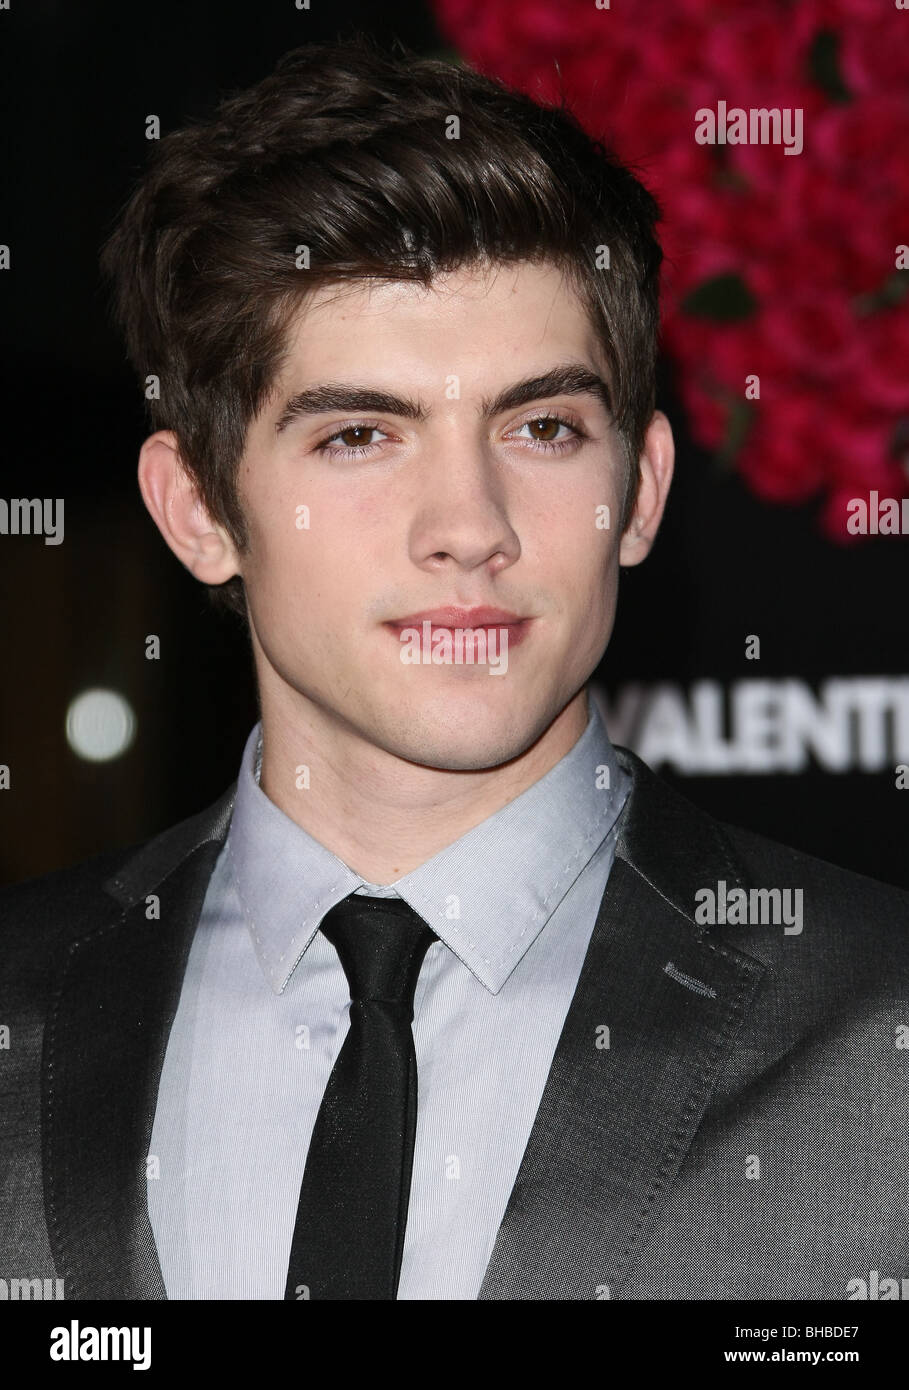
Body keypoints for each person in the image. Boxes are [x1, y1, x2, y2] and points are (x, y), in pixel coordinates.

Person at [1, 36, 907, 1303]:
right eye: (361, 435)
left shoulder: (885, 1036)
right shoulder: (18, 1006)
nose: (469, 522)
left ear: (638, 490)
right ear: (199, 507)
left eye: (541, 428)